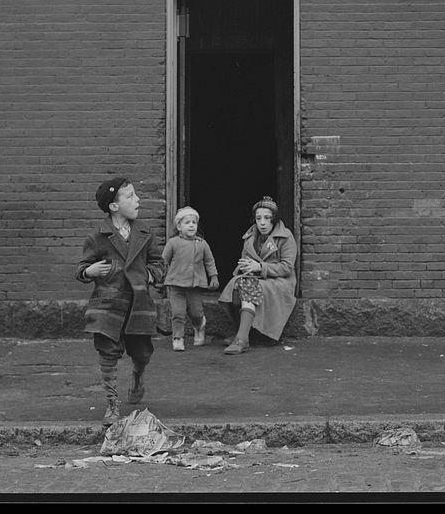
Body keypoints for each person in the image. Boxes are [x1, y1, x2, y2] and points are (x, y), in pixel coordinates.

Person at [76, 177, 166, 427]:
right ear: (114, 206)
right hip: (108, 304)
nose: (138, 200)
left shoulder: (145, 233)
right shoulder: (98, 237)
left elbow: (159, 263)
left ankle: (138, 375)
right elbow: (81, 267)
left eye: (136, 195)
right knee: (108, 353)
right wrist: (89, 271)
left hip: (139, 304)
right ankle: (112, 403)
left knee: (142, 353)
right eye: (130, 196)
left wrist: (148, 276)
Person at [218, 196, 298, 355]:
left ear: (274, 219)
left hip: (279, 281)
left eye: (267, 218)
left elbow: (287, 267)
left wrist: (260, 267)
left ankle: (242, 340)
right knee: (236, 285)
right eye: (258, 218)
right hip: (257, 278)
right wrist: (245, 268)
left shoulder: (285, 236)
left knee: (248, 285)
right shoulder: (250, 237)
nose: (262, 223)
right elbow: (245, 260)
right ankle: (244, 332)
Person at [162, 206, 219, 351]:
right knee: (178, 313)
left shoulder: (202, 244)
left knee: (196, 313)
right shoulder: (173, 243)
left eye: (194, 222)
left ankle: (199, 326)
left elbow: (209, 261)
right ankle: (178, 338)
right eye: (187, 222)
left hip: (194, 286)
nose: (191, 225)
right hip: (176, 285)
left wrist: (213, 276)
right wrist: (160, 277)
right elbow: (163, 261)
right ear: (179, 227)